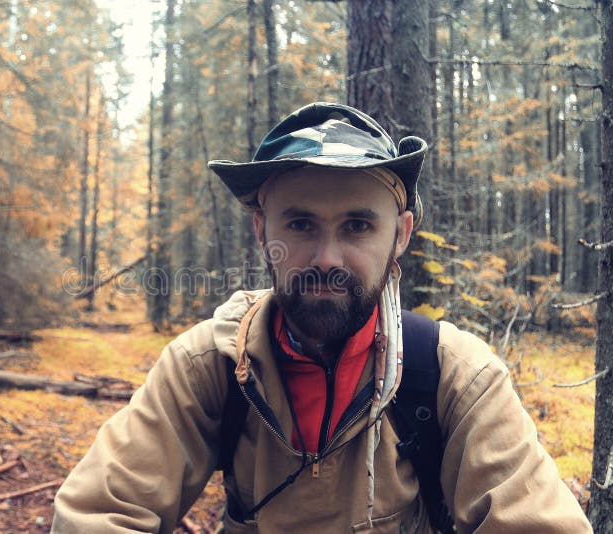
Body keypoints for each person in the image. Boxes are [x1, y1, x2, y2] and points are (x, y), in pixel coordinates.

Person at [51, 102, 592, 533]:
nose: (327, 258)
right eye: (301, 224)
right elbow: (96, 514)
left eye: (357, 226)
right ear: (263, 232)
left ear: (400, 235)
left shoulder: (455, 377)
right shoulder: (210, 364)